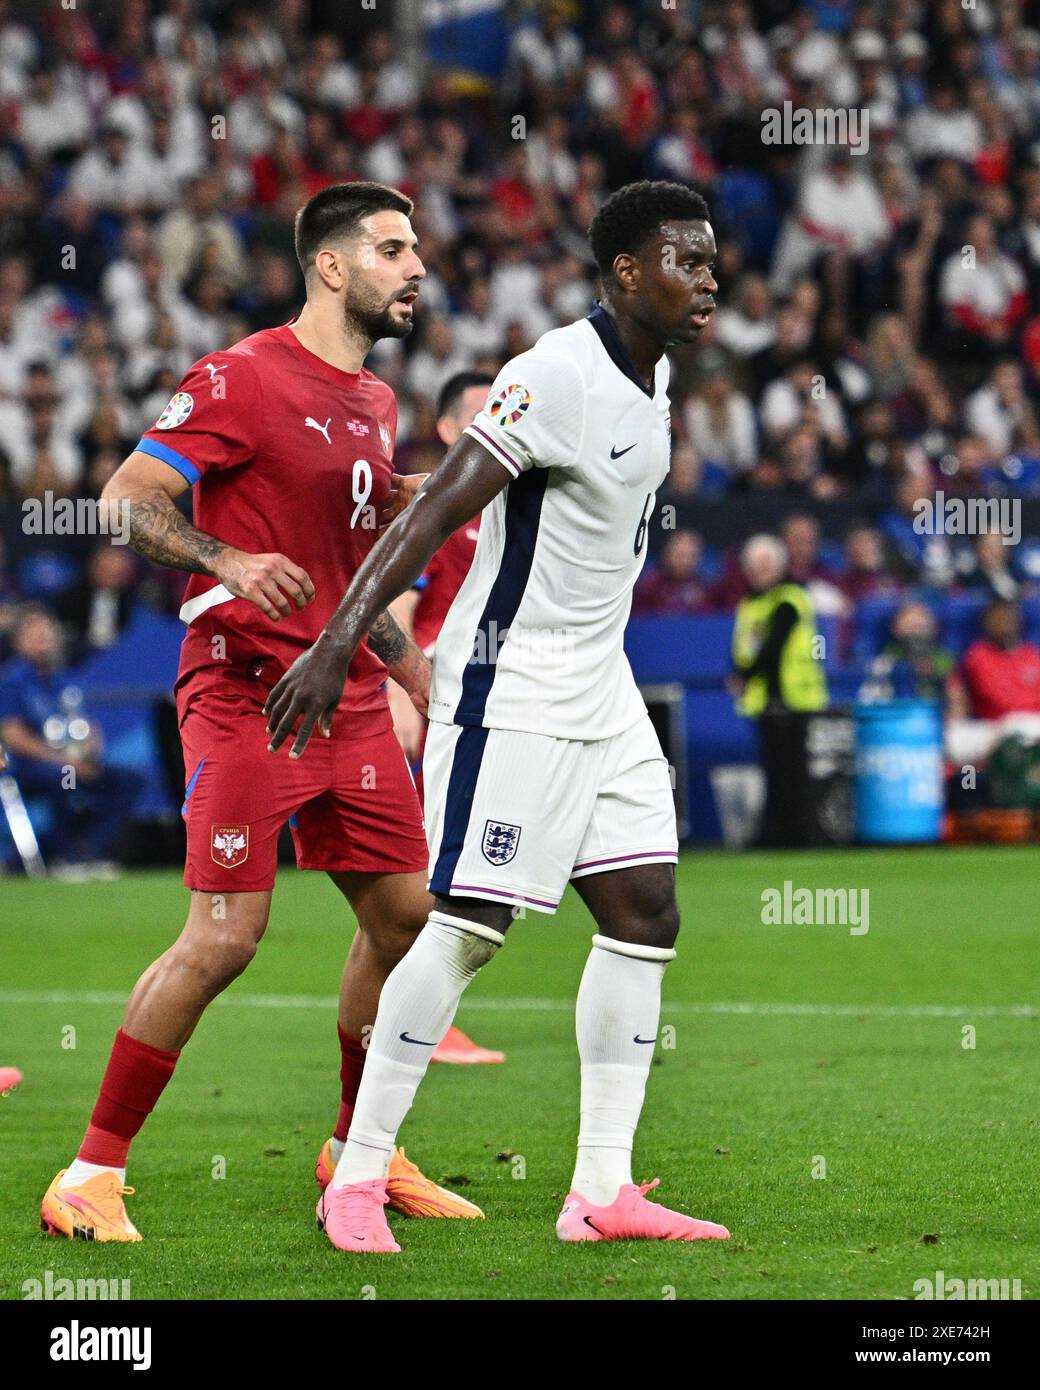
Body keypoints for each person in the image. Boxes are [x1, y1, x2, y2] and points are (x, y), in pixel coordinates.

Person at [265, 179, 731, 1252]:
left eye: (709, 260)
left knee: (645, 911)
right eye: (685, 260)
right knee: (470, 928)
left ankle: (599, 1192)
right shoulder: (555, 374)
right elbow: (438, 510)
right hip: (510, 685)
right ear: (625, 272)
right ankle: (360, 1174)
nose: (706, 278)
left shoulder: (650, 377)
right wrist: (340, 640)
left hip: (599, 685)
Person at [39, 182, 483, 1245]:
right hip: (245, 695)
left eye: (415, 246)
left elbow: (352, 567)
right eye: (390, 247)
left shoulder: (375, 400)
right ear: (330, 266)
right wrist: (225, 555)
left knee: (406, 919)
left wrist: (406, 662)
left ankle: (356, 1149)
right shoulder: (239, 377)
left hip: (350, 697)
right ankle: (88, 1172)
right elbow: (125, 499)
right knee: (226, 937)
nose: (414, 265)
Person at [385, 369, 507, 1067]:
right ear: (445, 427)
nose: (497, 417)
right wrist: (399, 693)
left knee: (463, 867)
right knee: (437, 868)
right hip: (436, 693)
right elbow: (401, 598)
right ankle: (425, 1026)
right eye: (481, 409)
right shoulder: (440, 501)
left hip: (484, 699)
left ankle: (422, 1020)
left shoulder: (497, 500)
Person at [0, 605, 138, 872]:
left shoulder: (64, 679)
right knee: (64, 780)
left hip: (71, 762)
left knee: (128, 782)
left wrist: (90, 749)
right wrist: (66, 761)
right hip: (28, 767)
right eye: (35, 634)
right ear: (18, 641)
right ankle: (63, 855)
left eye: (47, 632)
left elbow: (86, 724)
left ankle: (90, 851)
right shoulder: (11, 681)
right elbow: (15, 737)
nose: (44, 638)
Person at [730, 534, 829, 848]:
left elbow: (772, 648)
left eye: (765, 564)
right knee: (775, 771)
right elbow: (746, 645)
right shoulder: (751, 602)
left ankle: (798, 836)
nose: (759, 571)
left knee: (793, 773)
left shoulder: (789, 598)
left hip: (793, 698)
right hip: (766, 699)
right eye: (753, 565)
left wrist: (743, 673)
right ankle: (779, 834)